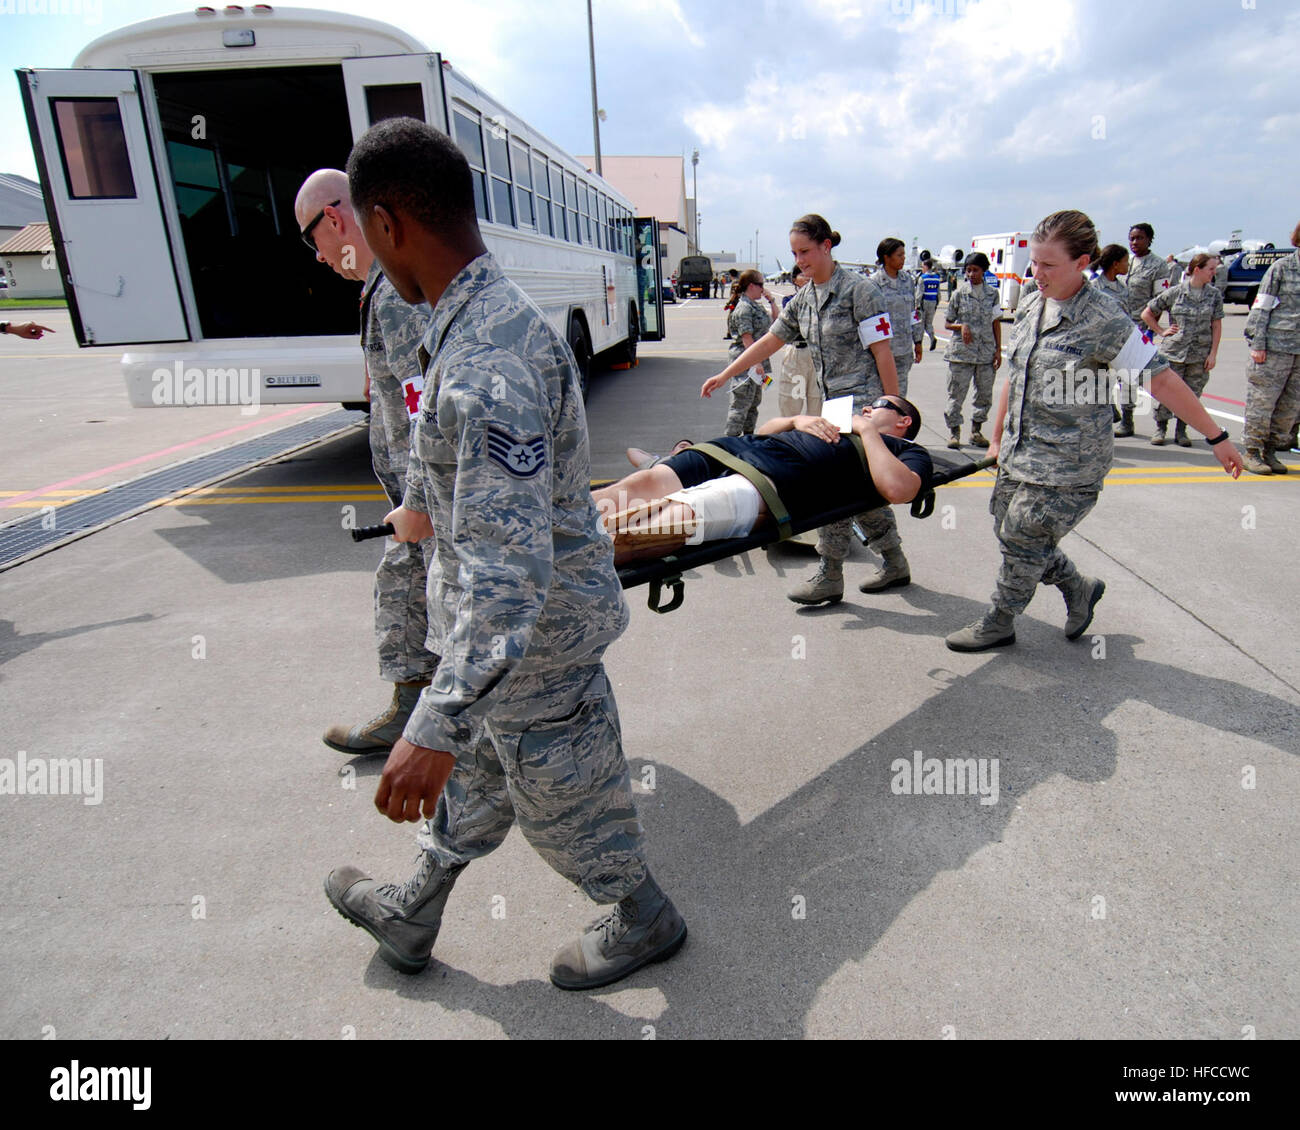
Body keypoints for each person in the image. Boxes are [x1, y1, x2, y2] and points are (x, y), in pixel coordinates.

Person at [324, 117, 685, 991]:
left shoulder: (487, 356)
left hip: (531, 646)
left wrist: (432, 721)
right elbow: (457, 484)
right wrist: (419, 506)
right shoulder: (469, 321)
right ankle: (413, 910)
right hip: (492, 658)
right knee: (476, 784)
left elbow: (509, 578)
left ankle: (645, 917)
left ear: (389, 223)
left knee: (560, 792)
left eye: (366, 235)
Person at [944, 210, 1244, 653]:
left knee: (1024, 536)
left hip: (1070, 464)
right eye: (1034, 262)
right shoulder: (1032, 302)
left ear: (1082, 261)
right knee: (1006, 528)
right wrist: (995, 435)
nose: (1036, 273)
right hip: (1020, 452)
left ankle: (1000, 620)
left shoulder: (1106, 318)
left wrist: (1217, 438)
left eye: (1049, 265)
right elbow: (1015, 373)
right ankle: (1079, 587)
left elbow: (1159, 379)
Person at [294, 169, 438, 757]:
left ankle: (449, 729)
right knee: (406, 589)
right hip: (414, 494)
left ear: (334, 218)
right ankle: (419, 712)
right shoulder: (381, 288)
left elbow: (428, 404)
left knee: (435, 599)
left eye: (313, 240)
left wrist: (421, 502)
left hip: (427, 496)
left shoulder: (395, 297)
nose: (319, 256)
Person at [699, 214, 910, 604]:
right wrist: (726, 373)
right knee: (858, 488)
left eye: (806, 251)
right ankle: (894, 560)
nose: (800, 260)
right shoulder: (806, 298)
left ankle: (830, 572)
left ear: (827, 246)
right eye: (795, 253)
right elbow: (769, 343)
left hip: (865, 406)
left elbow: (884, 354)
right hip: (833, 407)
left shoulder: (859, 291)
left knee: (833, 486)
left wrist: (893, 410)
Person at [598, 395, 931, 564]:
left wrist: (866, 429)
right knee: (637, 486)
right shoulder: (836, 421)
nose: (870, 407)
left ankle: (575, 553)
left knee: (673, 517)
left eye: (880, 404)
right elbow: (763, 432)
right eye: (869, 406)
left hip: (772, 481)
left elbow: (898, 490)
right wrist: (797, 419)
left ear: (904, 421)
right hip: (735, 450)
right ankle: (554, 524)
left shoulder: (904, 451)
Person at [1142, 252, 1223, 447]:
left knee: (1192, 394)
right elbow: (1147, 313)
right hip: (1174, 353)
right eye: (1210, 269)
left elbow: (1216, 326)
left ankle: (1182, 431)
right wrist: (1161, 331)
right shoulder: (1175, 292)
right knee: (1166, 394)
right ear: (1198, 269)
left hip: (1199, 355)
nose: (1213, 273)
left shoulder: (1214, 295)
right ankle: (1160, 428)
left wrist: (1213, 354)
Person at [1241, 220, 1300, 475]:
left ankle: (1271, 451)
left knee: (1289, 408)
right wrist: (1257, 343)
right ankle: (1251, 452)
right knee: (1262, 403)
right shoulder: (1282, 268)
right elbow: (1261, 308)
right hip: (1274, 348)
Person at [1115, 222, 1172, 437]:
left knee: (1146, 376)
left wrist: (1150, 330)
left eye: (1139, 238)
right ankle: (1126, 420)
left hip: (1141, 328)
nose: (1134, 242)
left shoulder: (1158, 266)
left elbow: (1159, 301)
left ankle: (1160, 425)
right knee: (1123, 377)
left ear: (1149, 239)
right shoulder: (1124, 263)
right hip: (1121, 328)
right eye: (1131, 238)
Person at [943, 251, 1002, 449]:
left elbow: (996, 322)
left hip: (985, 352)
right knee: (956, 394)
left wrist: (998, 350)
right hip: (962, 354)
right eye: (968, 270)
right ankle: (954, 432)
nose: (971, 274)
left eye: (975, 270)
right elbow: (948, 322)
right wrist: (962, 326)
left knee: (984, 395)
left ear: (984, 270)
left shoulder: (992, 294)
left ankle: (976, 431)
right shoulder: (958, 294)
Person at [723, 269, 780, 435]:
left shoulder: (755, 306)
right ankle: (729, 442)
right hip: (746, 364)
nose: (763, 289)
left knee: (753, 404)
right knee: (740, 405)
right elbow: (746, 337)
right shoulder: (744, 308)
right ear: (750, 286)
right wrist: (756, 362)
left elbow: (776, 320)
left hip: (756, 363)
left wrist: (771, 300)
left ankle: (748, 439)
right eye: (760, 285)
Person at [871, 237, 924, 395]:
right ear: (887, 257)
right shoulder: (873, 283)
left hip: (903, 350)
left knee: (899, 396)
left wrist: (918, 341)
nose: (903, 258)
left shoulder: (907, 280)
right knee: (879, 395)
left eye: (903, 255)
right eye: (899, 255)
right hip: (882, 352)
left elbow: (913, 313)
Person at [776, 265, 818, 417]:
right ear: (794, 279)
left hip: (817, 352)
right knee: (792, 400)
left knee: (817, 400)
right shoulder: (790, 300)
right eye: (802, 274)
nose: (807, 277)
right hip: (797, 351)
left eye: (809, 274)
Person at [1092, 243, 1129, 311]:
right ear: (1115, 264)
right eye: (1126, 261)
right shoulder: (1094, 287)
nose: (1128, 264)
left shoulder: (1123, 288)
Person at [917, 260, 943, 350]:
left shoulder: (923, 278)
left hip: (924, 302)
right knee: (929, 323)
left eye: (922, 267)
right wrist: (937, 303)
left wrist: (917, 305)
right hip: (933, 302)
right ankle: (932, 338)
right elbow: (938, 293)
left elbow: (919, 293)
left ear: (926, 267)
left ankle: (919, 343)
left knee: (921, 323)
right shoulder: (936, 278)